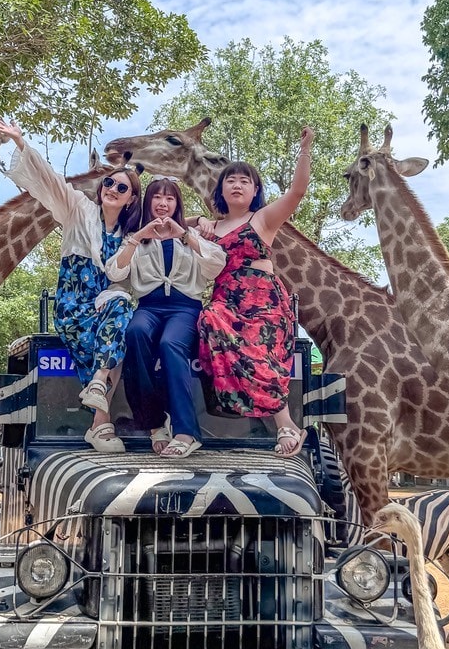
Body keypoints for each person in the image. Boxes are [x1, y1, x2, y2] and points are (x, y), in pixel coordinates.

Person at [0, 117, 141, 453]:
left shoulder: (129, 237)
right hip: (74, 305)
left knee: (120, 311)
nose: (112, 189)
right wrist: (20, 142)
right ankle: (100, 415)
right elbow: (51, 180)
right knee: (110, 345)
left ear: (131, 199)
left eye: (121, 188)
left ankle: (100, 411)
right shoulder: (78, 211)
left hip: (106, 305)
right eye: (109, 184)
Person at [197, 129, 314, 457]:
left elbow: (298, 191)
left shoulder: (262, 219)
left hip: (262, 302)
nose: (236, 184)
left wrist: (305, 149)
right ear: (221, 189)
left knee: (256, 350)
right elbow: (171, 219)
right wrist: (200, 220)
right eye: (230, 180)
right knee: (208, 318)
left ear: (255, 190)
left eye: (244, 180)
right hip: (225, 301)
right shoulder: (212, 227)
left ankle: (286, 425)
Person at [107, 177, 225, 459]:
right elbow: (115, 272)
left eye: (170, 198)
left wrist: (185, 235)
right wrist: (138, 237)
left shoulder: (191, 234)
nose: (163, 203)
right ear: (148, 202)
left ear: (177, 204)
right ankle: (155, 424)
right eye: (157, 197)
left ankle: (186, 432)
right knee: (134, 333)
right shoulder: (135, 236)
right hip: (148, 306)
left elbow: (216, 265)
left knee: (171, 344)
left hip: (185, 308)